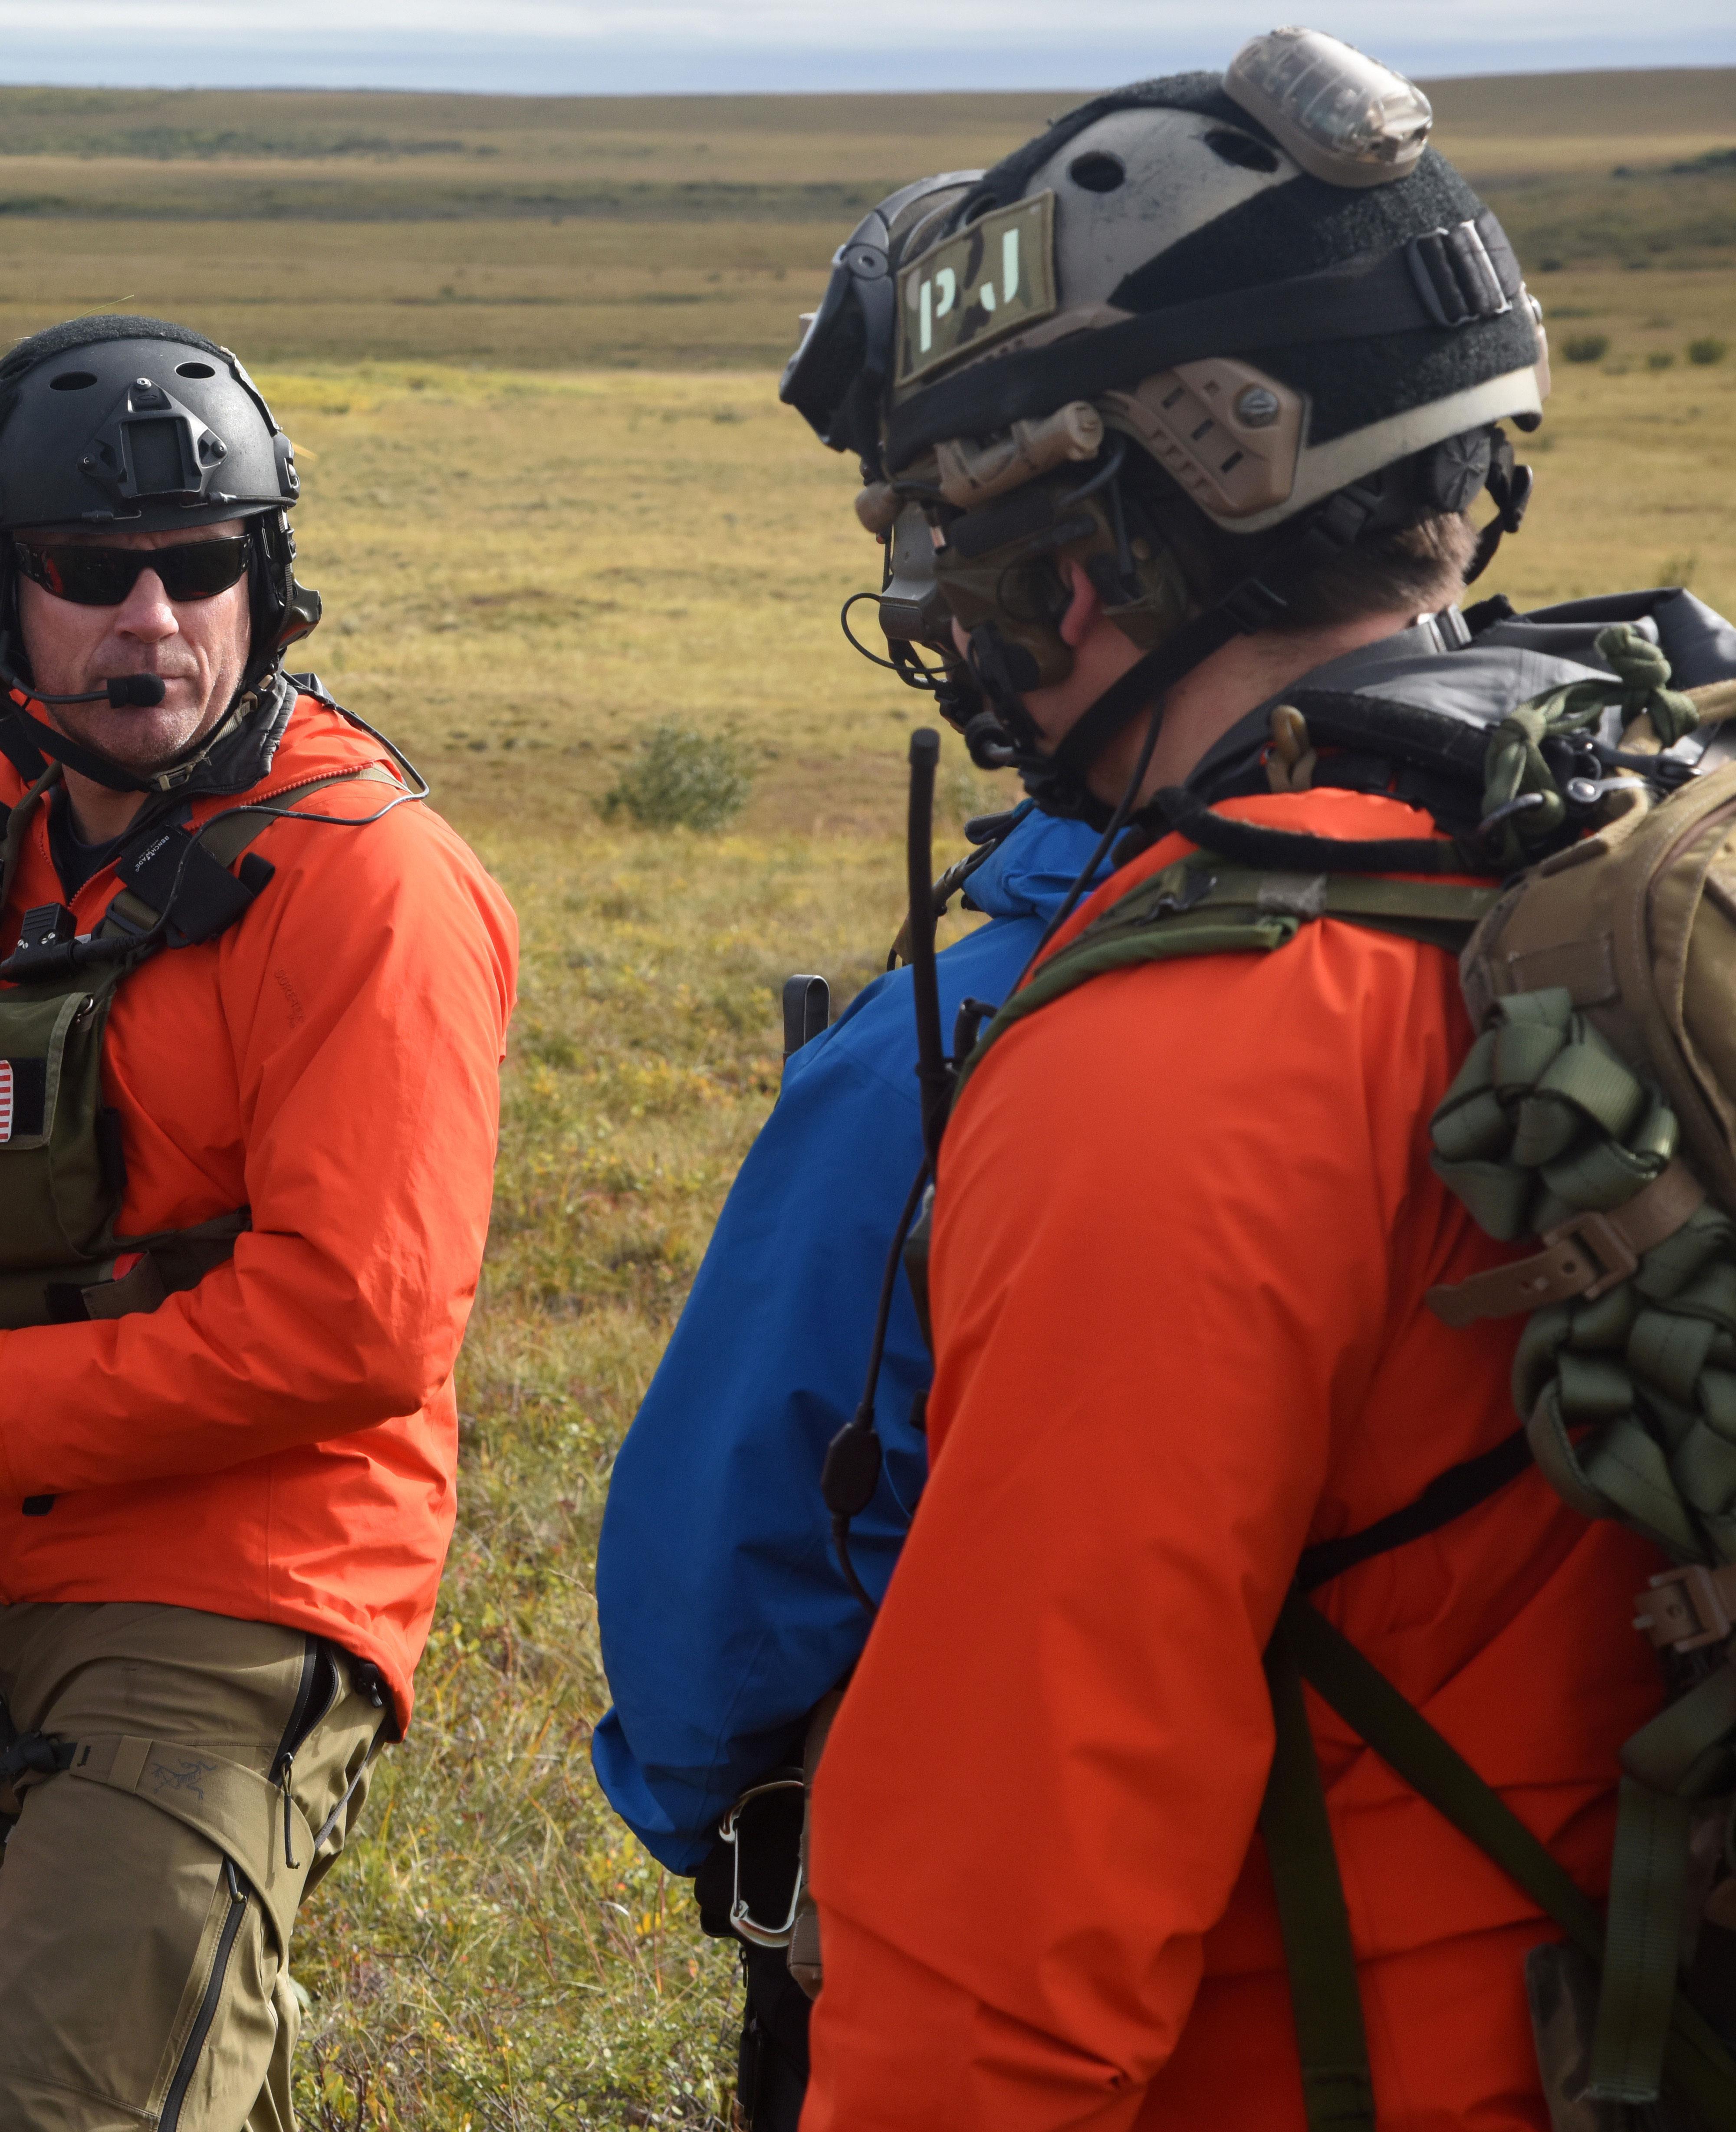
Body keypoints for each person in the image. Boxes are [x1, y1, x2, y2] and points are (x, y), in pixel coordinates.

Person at [768, 31, 1736, 2131]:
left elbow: (1010, 1897)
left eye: (961, 549)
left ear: (1088, 553)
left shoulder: (1187, 1047)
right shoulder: (1659, 846)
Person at [0, 314, 517, 2131]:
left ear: (264, 584)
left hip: (234, 1605)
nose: (151, 616)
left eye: (201, 564)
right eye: (89, 571)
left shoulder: (369, 884)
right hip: (20, 1587)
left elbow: (359, 1323)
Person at [588, 799, 1095, 2125]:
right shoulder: (1549, 958)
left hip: (963, 1912)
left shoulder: (939, 1039)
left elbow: (737, 1544)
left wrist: (718, 1799)